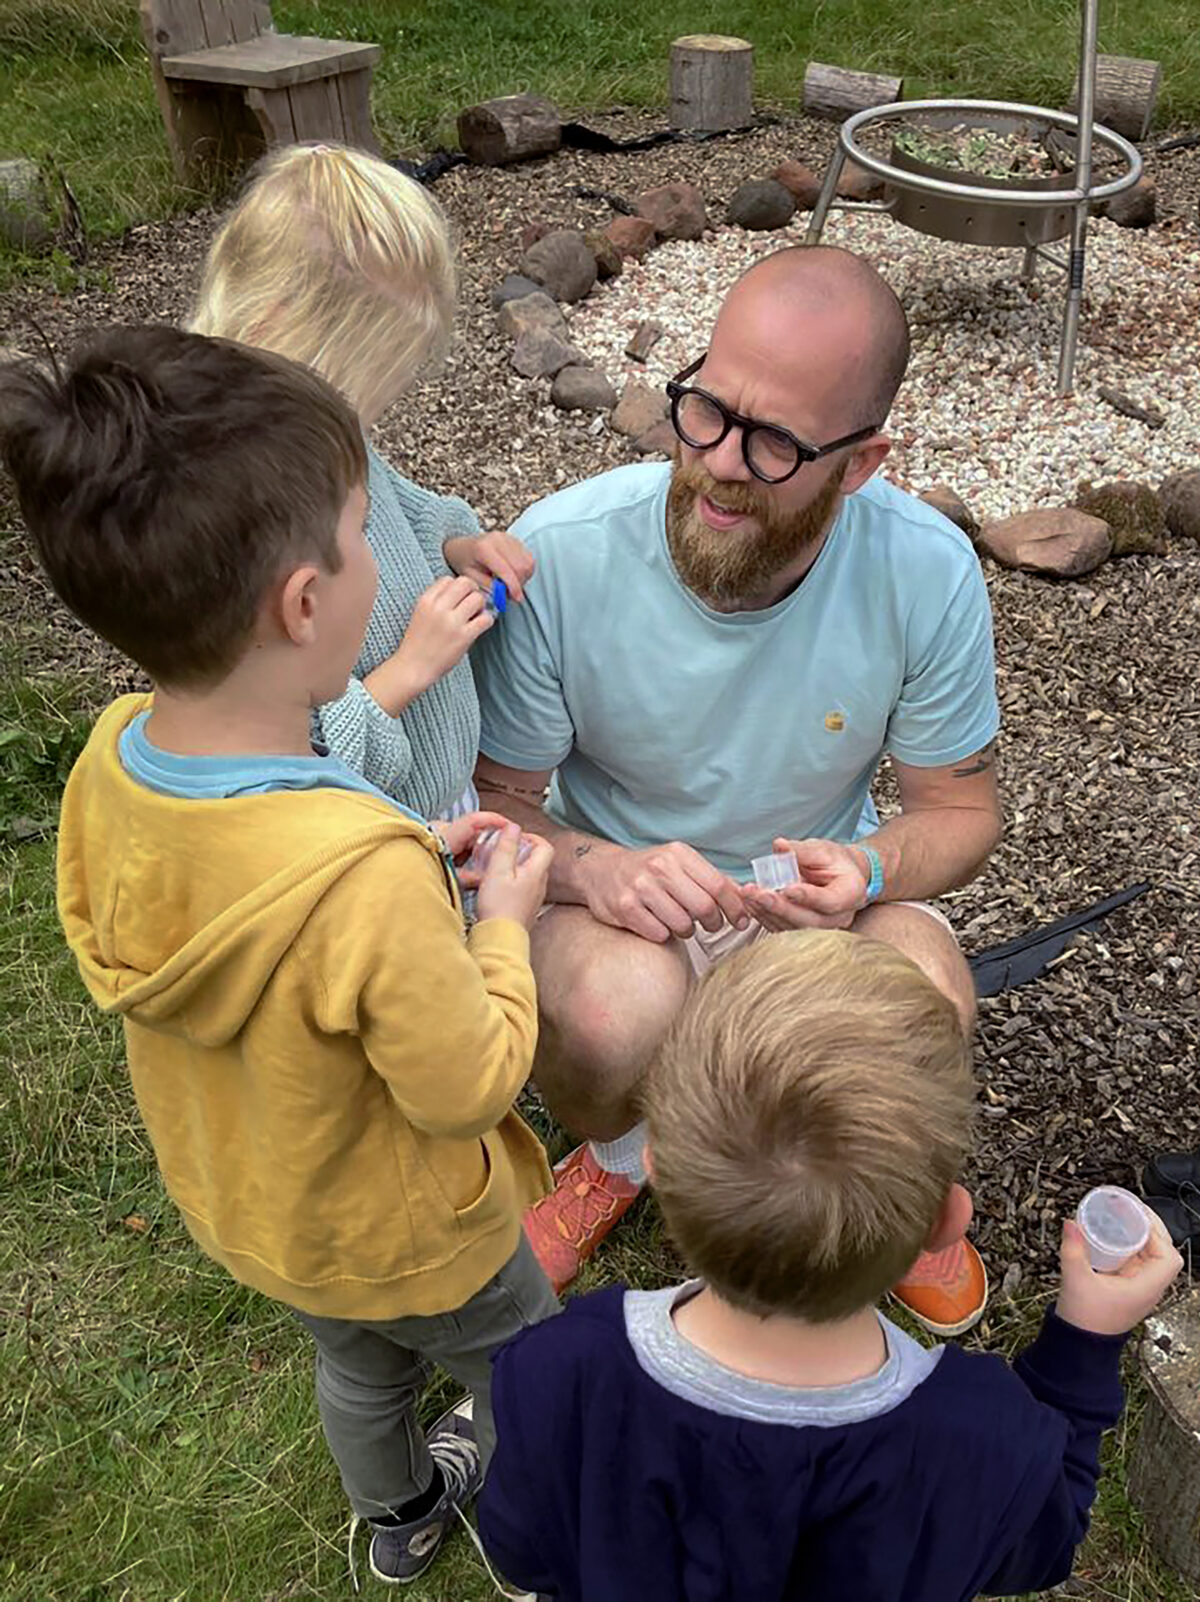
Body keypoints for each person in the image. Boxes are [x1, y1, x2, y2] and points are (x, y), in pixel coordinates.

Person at [0, 327, 558, 1586]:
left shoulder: (112, 754)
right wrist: (505, 925)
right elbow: (465, 1084)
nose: (380, 552)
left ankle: (400, 1518)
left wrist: (410, 841)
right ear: (308, 601)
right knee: (528, 1370)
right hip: (416, 1236)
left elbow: (245, 869)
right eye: (364, 530)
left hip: (261, 1213)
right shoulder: (355, 874)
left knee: (359, 1365)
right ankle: (535, 1545)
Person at [472, 243, 1004, 1331]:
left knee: (931, 992)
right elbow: (495, 811)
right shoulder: (565, 554)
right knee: (612, 1015)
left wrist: (865, 868)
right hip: (618, 913)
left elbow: (961, 811)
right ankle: (620, 1151)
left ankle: (874, 1186)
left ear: (861, 464)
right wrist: (600, 871)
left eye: (773, 444)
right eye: (705, 410)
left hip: (811, 907)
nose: (716, 461)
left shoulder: (927, 572)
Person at [478, 931, 1183, 1602]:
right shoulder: (978, 1440)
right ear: (944, 1224)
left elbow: (521, 1549)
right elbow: (1045, 1536)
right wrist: (1083, 1342)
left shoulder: (557, 1368)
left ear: (655, 1165)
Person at [191, 140, 534, 821]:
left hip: (433, 804)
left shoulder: (319, 430)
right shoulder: (229, 518)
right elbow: (284, 762)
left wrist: (459, 545)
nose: (368, 419)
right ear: (278, 331)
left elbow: (401, 504)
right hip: (364, 835)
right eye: (367, 385)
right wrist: (410, 668)